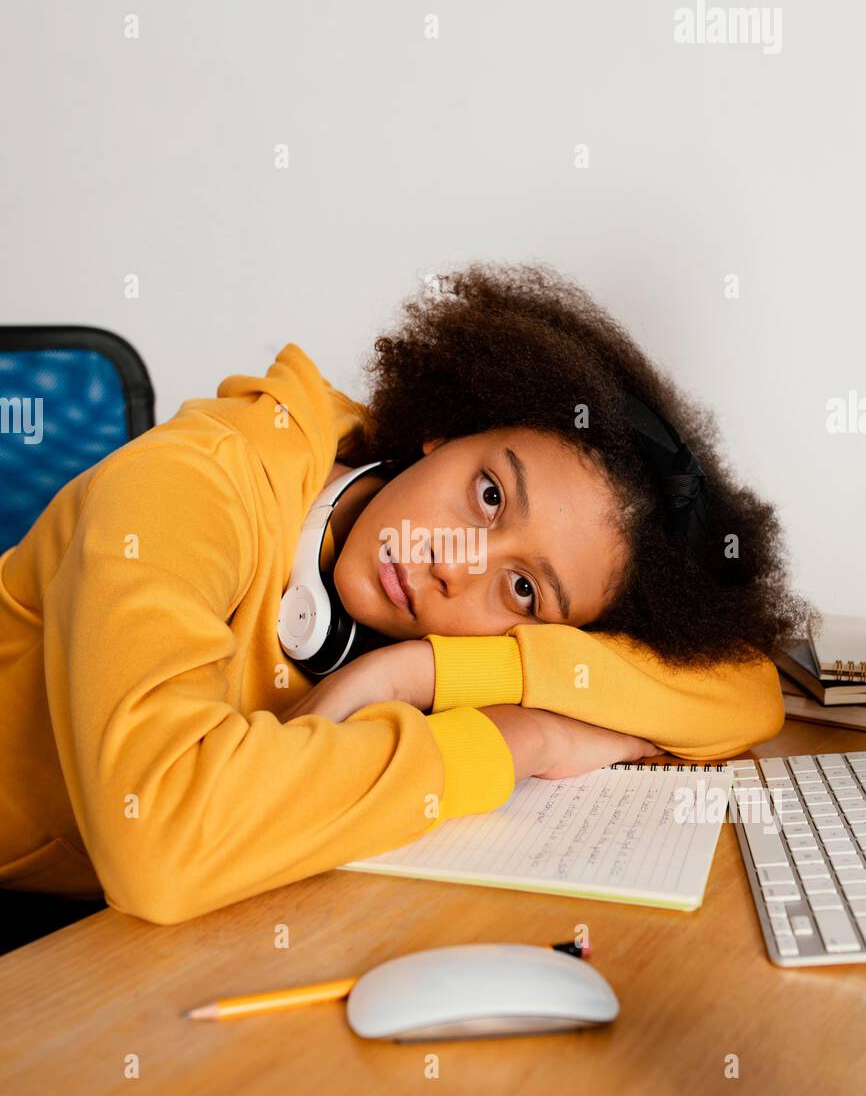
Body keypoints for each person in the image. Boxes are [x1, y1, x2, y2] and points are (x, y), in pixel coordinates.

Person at [0, 264, 807, 925]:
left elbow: (744, 691)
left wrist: (416, 675)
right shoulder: (188, 486)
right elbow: (162, 848)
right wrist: (516, 743)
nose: (455, 565)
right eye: (489, 495)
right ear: (446, 431)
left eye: (523, 588)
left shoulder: (441, 637)